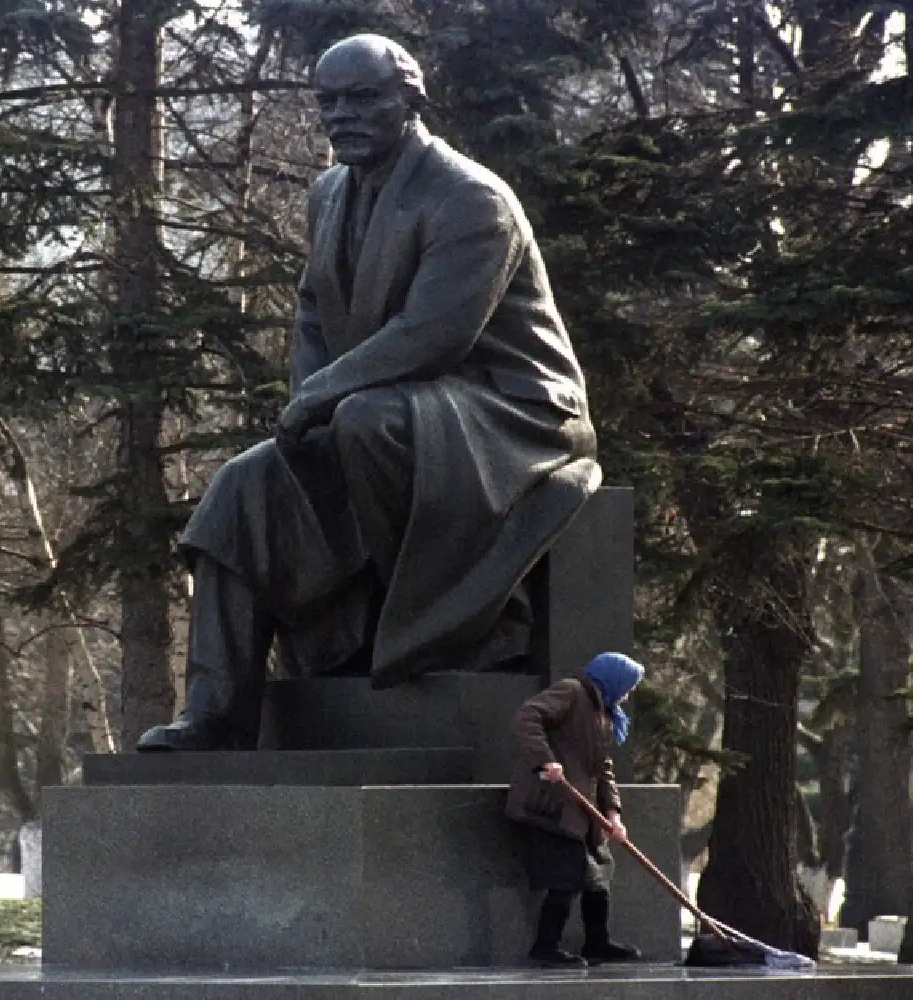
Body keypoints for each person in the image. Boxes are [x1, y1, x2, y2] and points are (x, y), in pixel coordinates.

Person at [137, 33, 599, 752]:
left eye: (362, 97)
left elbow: (433, 334)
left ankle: (416, 619)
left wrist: (324, 396)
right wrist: (306, 410)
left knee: (366, 422)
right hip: (384, 399)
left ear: (410, 100)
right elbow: (313, 316)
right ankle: (219, 712)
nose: (341, 115)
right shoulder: (329, 195)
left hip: (511, 408)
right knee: (240, 486)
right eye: (328, 102)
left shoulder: (472, 199)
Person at [504, 652, 646, 966]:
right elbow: (528, 716)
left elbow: (603, 767)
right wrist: (545, 759)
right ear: (613, 677)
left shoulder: (605, 713)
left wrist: (613, 812)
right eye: (629, 685)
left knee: (599, 876)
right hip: (551, 805)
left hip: (583, 810)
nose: (628, 693)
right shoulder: (571, 692)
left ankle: (597, 942)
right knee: (567, 875)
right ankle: (545, 946)